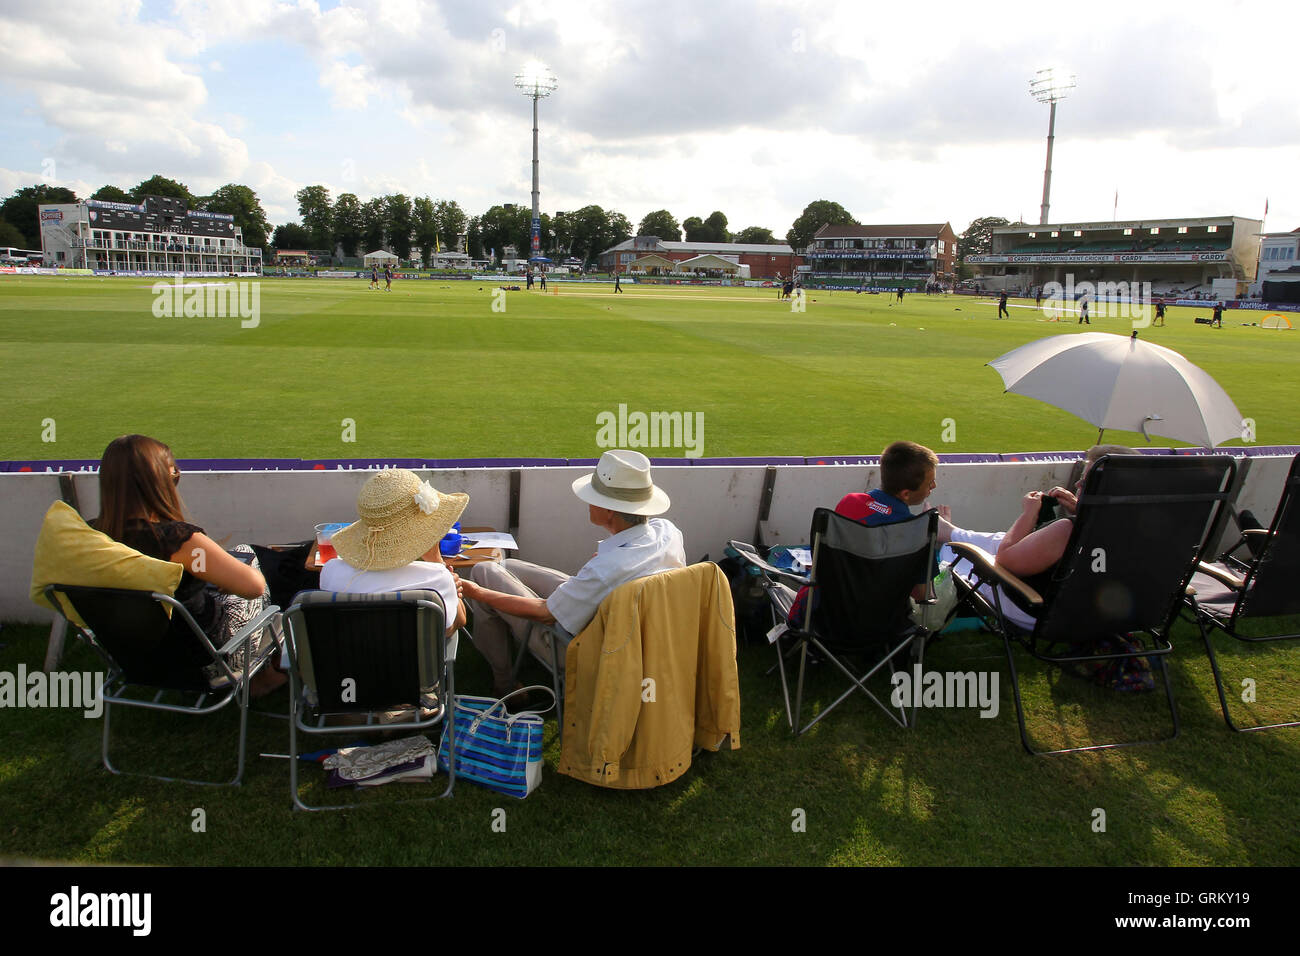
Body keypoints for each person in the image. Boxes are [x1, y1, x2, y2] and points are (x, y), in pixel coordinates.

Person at [460, 450, 686, 699]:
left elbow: (545, 614)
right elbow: (620, 570)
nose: (588, 503)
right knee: (501, 567)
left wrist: (476, 593)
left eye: (593, 497)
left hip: (582, 649)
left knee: (482, 573)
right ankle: (506, 670)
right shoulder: (668, 532)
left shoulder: (607, 569)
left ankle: (505, 686)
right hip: (638, 637)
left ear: (609, 510)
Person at [91, 435, 284, 697]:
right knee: (250, 558)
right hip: (209, 660)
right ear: (159, 484)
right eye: (174, 476)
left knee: (237, 562)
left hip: (137, 658)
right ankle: (270, 674)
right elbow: (254, 588)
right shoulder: (178, 540)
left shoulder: (91, 538)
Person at [787, 440, 954, 626]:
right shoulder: (916, 531)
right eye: (930, 483)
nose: (934, 486)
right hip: (883, 628)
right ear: (906, 494)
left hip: (825, 621)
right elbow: (924, 595)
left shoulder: (849, 502)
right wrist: (933, 539)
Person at [320, 469, 467, 639]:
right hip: (413, 656)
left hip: (350, 654)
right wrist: (437, 562)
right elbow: (453, 626)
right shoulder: (437, 577)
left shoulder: (331, 572)